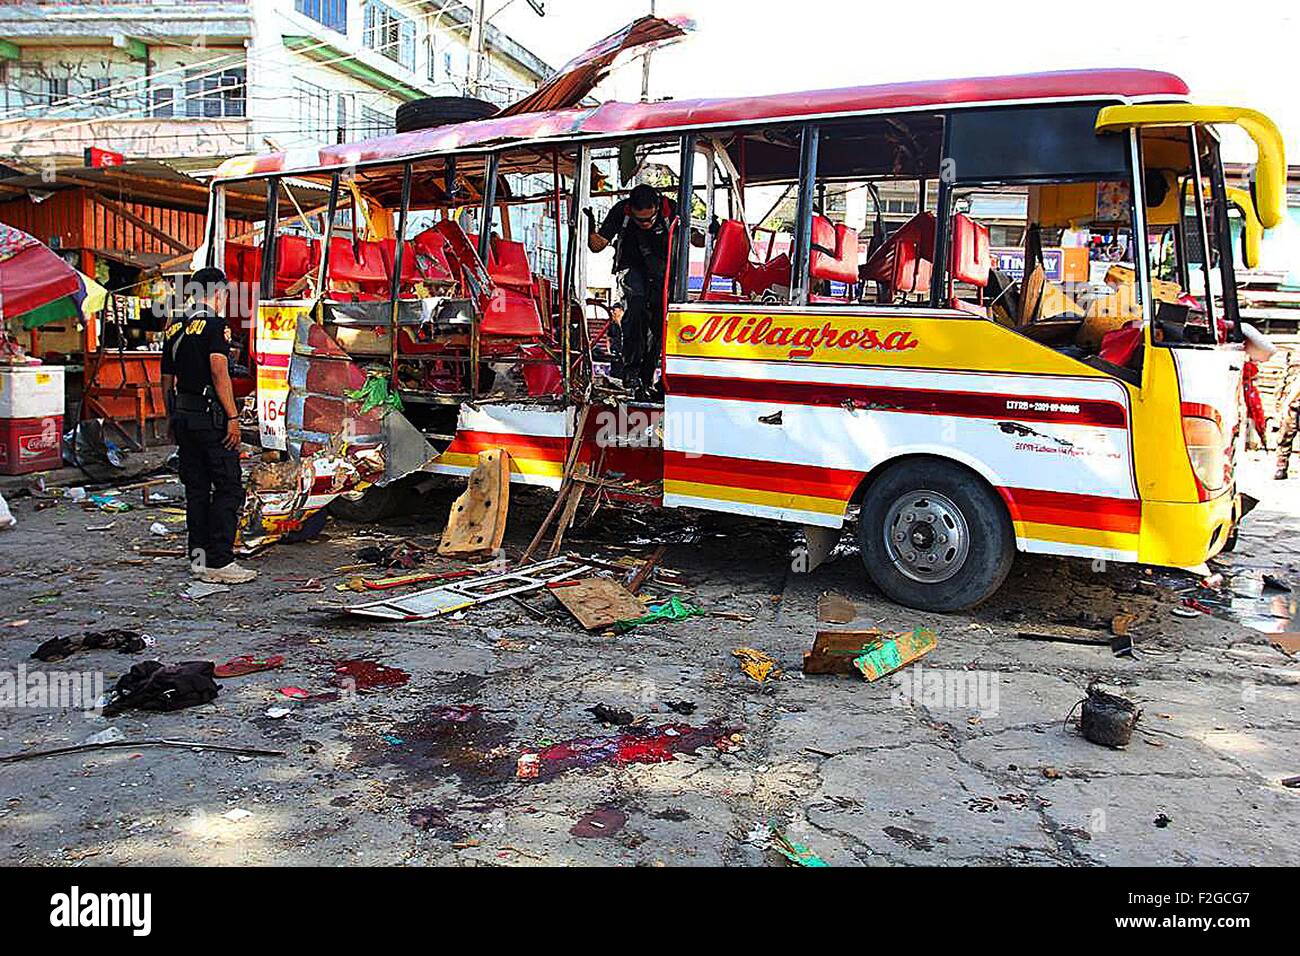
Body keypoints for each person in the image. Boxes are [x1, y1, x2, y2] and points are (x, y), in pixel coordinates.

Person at [160, 267, 256, 584]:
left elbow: (165, 380)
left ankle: (199, 559)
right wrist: (232, 416)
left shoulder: (174, 327)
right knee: (228, 486)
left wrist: (171, 416)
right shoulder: (214, 324)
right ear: (218, 293)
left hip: (184, 416)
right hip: (210, 417)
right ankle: (220, 562)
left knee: (197, 489)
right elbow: (219, 372)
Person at [586, 184, 677, 400]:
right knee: (634, 310)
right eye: (639, 220)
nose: (644, 225)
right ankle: (632, 373)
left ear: (657, 207)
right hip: (631, 268)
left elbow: (695, 238)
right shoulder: (621, 211)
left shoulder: (672, 209)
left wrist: (711, 230)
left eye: (649, 219)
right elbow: (597, 245)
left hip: (663, 273)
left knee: (659, 324)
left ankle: (647, 378)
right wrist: (589, 228)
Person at [1275, 375, 1300, 479]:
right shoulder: (1290, 372)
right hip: (1292, 408)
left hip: (1292, 404)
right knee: (1285, 438)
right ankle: (1281, 467)